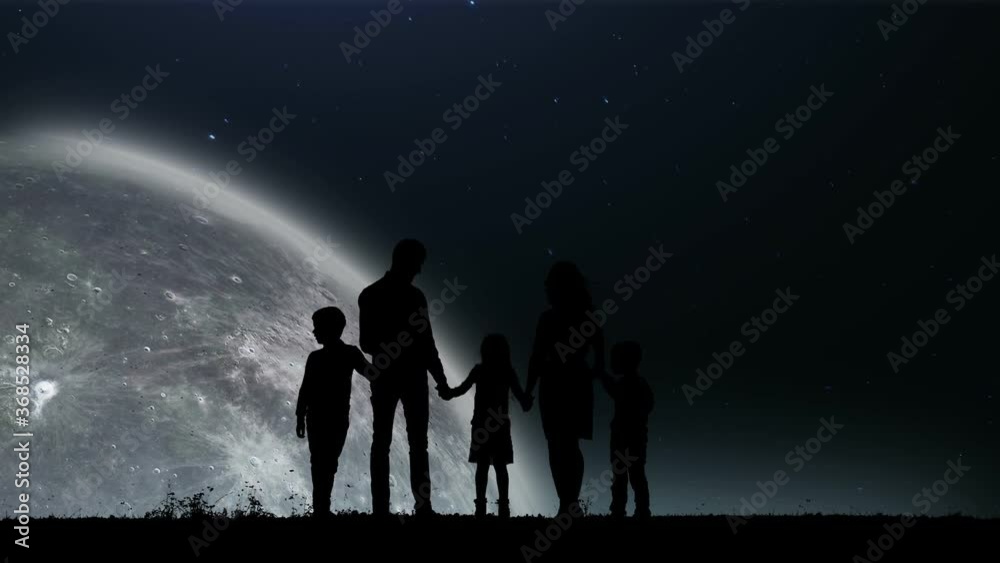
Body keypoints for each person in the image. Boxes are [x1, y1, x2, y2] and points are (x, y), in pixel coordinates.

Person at [359, 239, 450, 517]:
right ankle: (421, 508)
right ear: (408, 262)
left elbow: (368, 343)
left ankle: (381, 511)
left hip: (389, 377)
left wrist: (438, 378)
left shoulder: (371, 294)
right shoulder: (414, 297)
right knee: (414, 444)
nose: (419, 270)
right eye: (417, 263)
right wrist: (440, 379)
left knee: (383, 442)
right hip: (410, 378)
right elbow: (426, 343)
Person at [525, 261, 604, 516]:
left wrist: (528, 389)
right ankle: (569, 503)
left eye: (549, 285)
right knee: (567, 444)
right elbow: (599, 350)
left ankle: (567, 503)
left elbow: (536, 356)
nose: (546, 290)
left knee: (560, 444)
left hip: (556, 384)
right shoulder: (584, 316)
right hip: (572, 382)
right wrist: (595, 372)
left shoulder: (550, 318)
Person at [295, 306, 373, 517]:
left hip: (325, 418)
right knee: (324, 463)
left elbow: (372, 374)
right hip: (327, 418)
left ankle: (321, 509)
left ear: (328, 328)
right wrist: (300, 416)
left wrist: (300, 416)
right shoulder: (343, 354)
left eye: (317, 327)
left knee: (323, 463)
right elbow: (306, 388)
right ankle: (321, 510)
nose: (314, 332)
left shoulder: (342, 354)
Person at [442, 334, 531, 518]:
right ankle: (503, 507)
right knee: (500, 466)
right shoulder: (507, 371)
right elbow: (521, 398)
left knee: (482, 466)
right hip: (499, 424)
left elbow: (461, 389)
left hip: (481, 424)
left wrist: (448, 392)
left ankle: (480, 507)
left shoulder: (479, 370)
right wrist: (526, 401)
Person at [600, 341, 654, 518]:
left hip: (624, 437)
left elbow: (615, 391)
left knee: (622, 476)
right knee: (635, 474)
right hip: (635, 436)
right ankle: (641, 509)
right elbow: (648, 405)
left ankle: (620, 509)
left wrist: (601, 375)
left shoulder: (628, 384)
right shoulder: (640, 383)